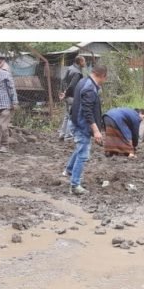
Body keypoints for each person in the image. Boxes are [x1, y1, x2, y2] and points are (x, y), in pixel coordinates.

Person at [63, 64, 106, 195]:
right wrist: (96, 131)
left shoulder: (83, 81)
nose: (105, 81)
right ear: (102, 76)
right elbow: (87, 112)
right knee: (83, 154)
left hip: (76, 121)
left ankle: (69, 170)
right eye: (105, 78)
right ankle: (75, 185)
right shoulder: (90, 88)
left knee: (80, 148)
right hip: (82, 125)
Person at [58, 56, 86, 141]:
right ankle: (69, 135)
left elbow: (63, 81)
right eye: (84, 61)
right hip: (72, 96)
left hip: (67, 96)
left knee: (67, 115)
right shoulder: (77, 73)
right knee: (72, 116)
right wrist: (65, 94)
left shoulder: (70, 68)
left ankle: (62, 134)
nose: (85, 63)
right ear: (80, 61)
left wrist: (63, 92)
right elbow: (72, 86)